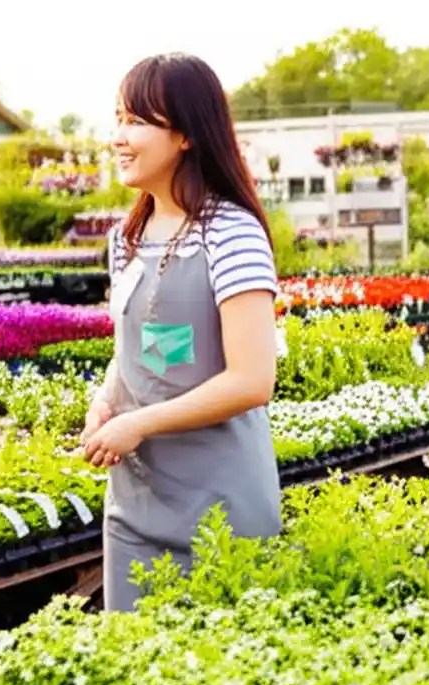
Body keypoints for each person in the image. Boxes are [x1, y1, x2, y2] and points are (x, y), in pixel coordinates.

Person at [80, 53, 281, 612]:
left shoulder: (230, 233)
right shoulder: (128, 236)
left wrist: (138, 422)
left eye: (138, 121)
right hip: (136, 507)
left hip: (221, 508)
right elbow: (142, 344)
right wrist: (108, 398)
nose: (120, 137)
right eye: (118, 118)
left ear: (188, 135)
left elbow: (251, 380)